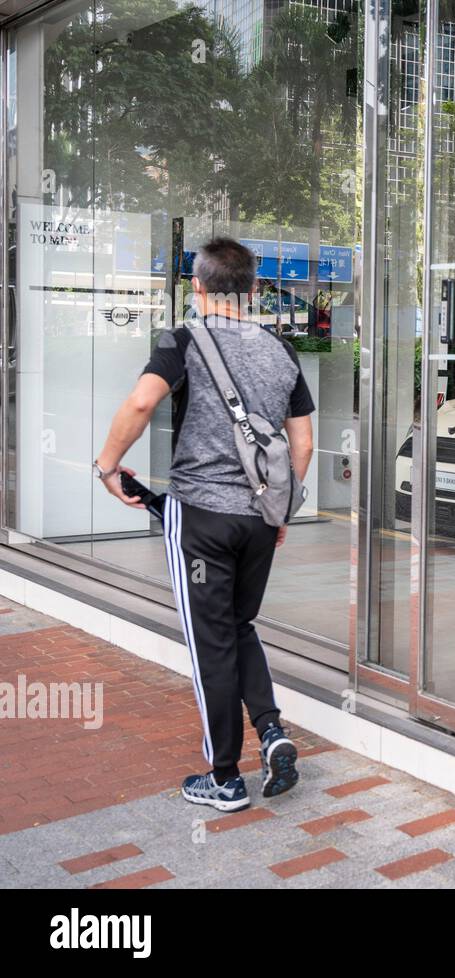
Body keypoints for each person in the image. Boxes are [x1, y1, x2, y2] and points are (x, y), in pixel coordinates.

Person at [94, 237, 316, 813]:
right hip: (260, 520)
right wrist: (280, 509)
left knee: (211, 645)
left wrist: (108, 465)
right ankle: (271, 732)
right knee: (239, 626)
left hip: (201, 518)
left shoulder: (183, 339)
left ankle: (224, 777)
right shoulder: (280, 349)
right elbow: (304, 440)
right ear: (254, 289)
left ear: (197, 287)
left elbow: (142, 403)